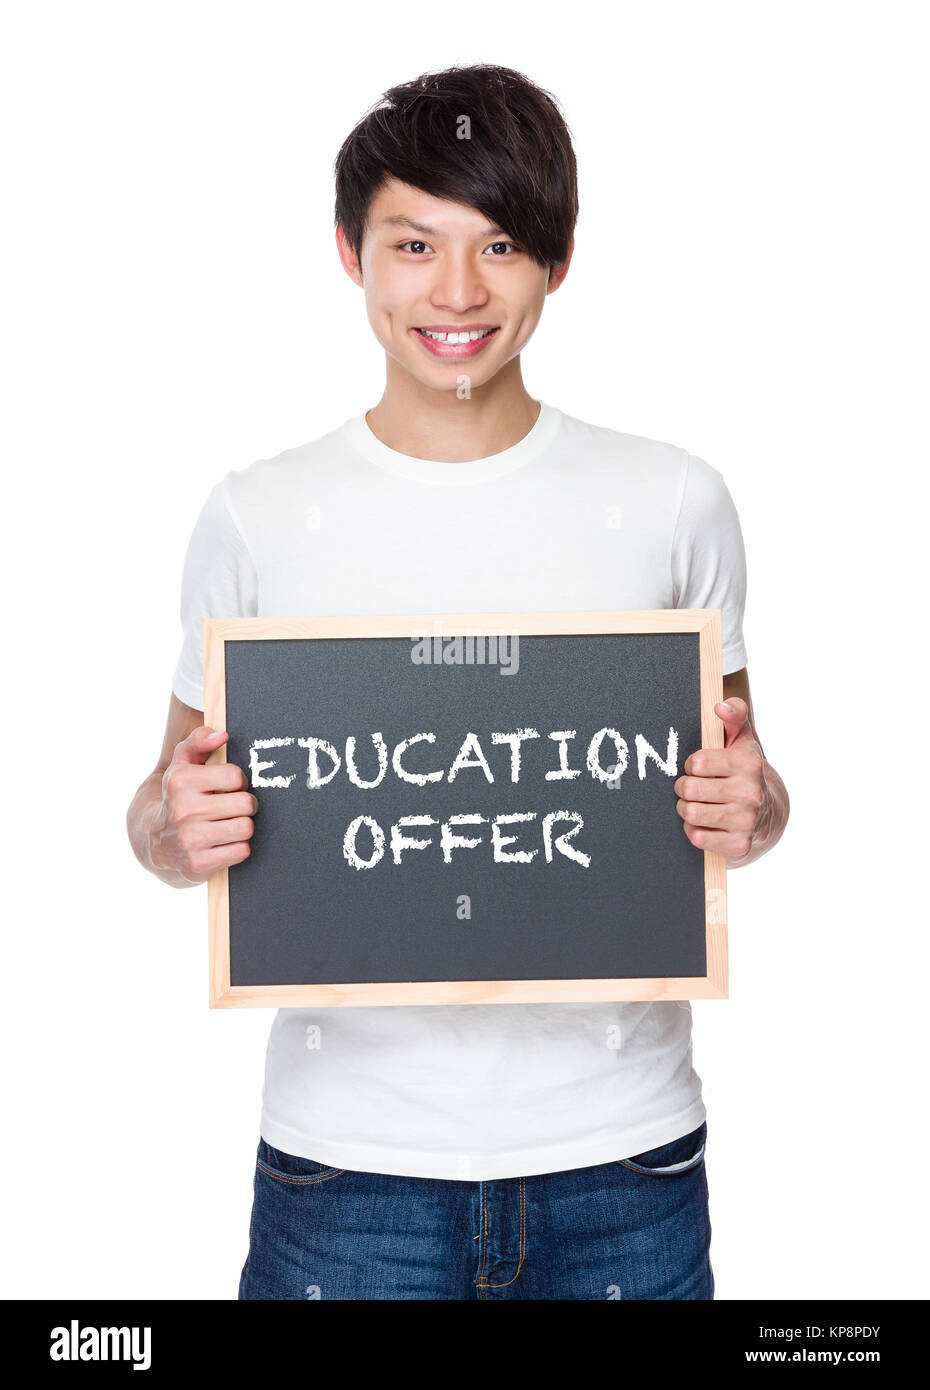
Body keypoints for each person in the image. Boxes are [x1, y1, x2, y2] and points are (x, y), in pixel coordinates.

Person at [126, 63, 789, 1301]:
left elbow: (748, 789)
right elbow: (158, 814)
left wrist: (750, 809)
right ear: (350, 252)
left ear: (559, 259)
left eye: (499, 246)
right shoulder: (259, 515)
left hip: (622, 1156)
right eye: (414, 243)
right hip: (346, 1170)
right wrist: (177, 827)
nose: (456, 292)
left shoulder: (673, 500)